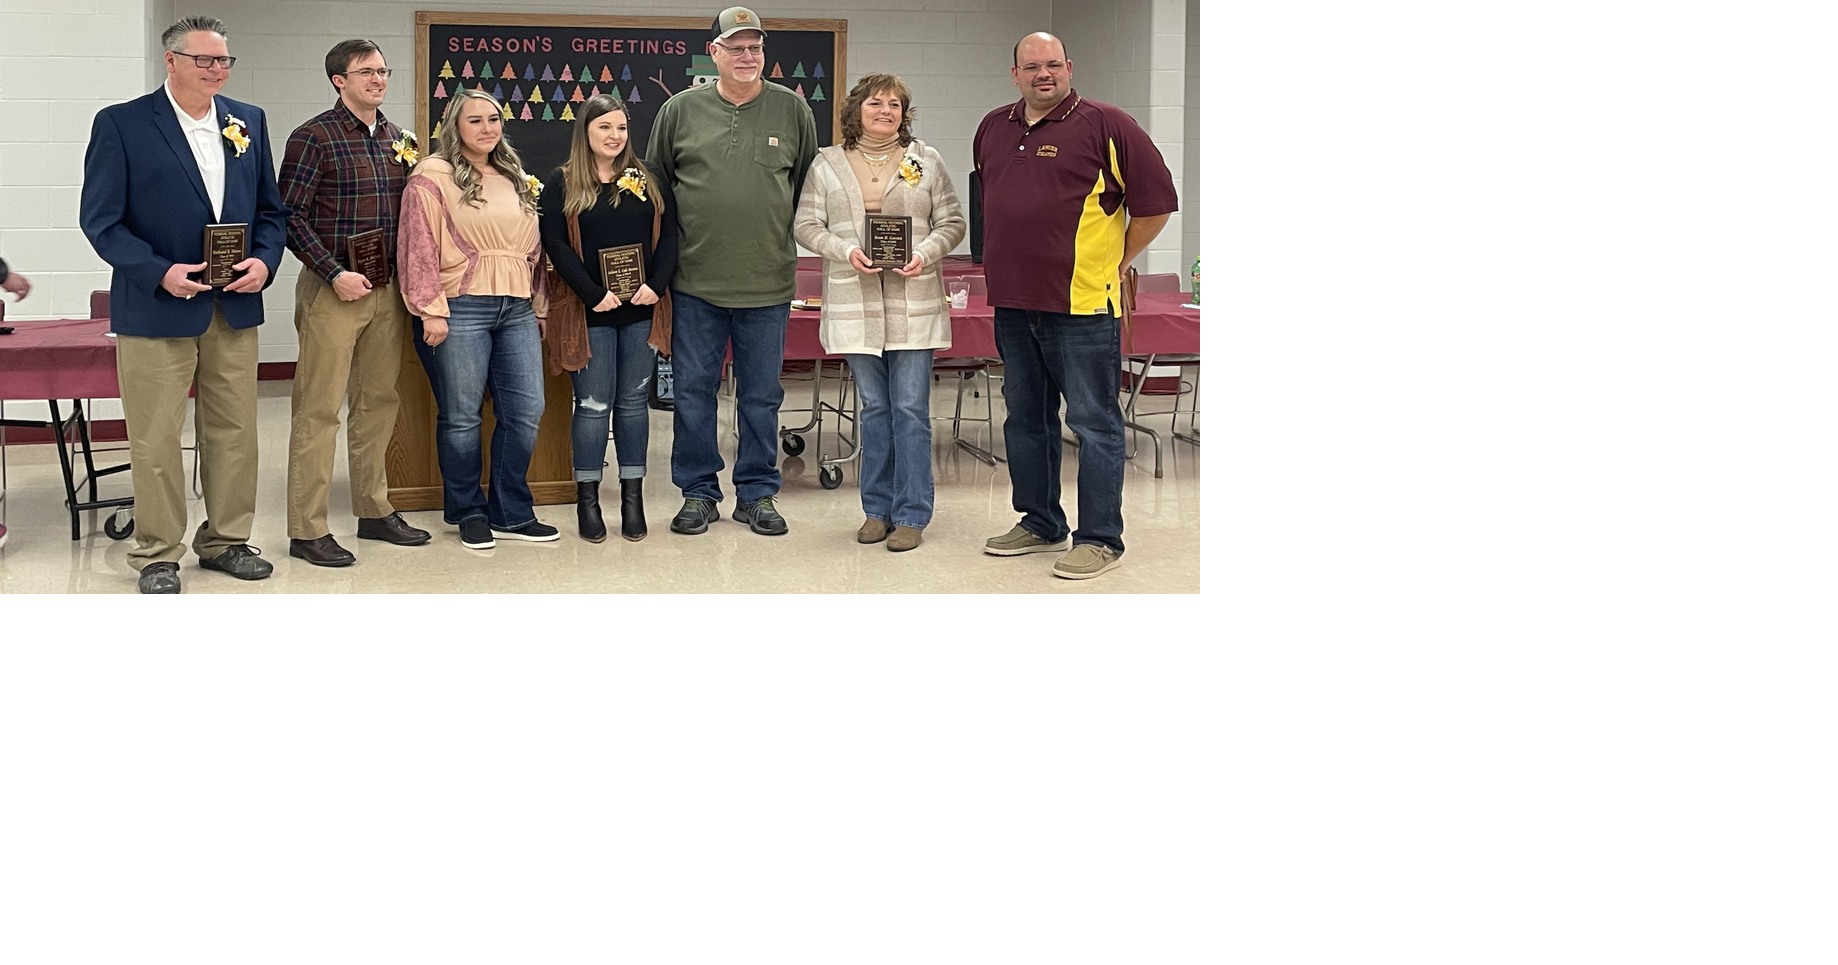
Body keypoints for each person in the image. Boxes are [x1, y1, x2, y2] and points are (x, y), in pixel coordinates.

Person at [78, 16, 287, 595]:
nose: (218, 70)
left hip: (233, 306)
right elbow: (101, 222)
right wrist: (159, 272)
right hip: (156, 308)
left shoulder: (248, 120)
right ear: (171, 61)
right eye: (206, 61)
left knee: (235, 432)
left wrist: (265, 262)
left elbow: (271, 212)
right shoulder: (121, 124)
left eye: (224, 61)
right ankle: (157, 554)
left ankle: (225, 541)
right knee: (155, 436)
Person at [973, 32, 1177, 580]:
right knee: (1026, 421)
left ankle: (1101, 538)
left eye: (1054, 64)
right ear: (1014, 72)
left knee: (1094, 423)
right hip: (1013, 304)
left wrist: (1118, 261)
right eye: (1032, 66)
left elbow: (1157, 205)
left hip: (1082, 305)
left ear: (1070, 67)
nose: (1045, 74)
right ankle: (1040, 522)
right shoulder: (993, 126)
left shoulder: (1108, 124)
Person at [646, 6, 817, 537]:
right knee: (693, 391)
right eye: (736, 47)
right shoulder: (679, 111)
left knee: (761, 395)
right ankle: (698, 492)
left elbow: (809, 192)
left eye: (756, 48)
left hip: (766, 283)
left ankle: (758, 493)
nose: (748, 57)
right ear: (714, 53)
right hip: (695, 283)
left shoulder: (792, 110)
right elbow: (655, 189)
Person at [794, 74, 965, 553]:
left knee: (910, 410)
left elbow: (953, 221)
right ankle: (876, 510)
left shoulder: (925, 160)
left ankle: (911, 515)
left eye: (895, 104)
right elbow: (806, 224)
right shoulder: (827, 164)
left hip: (915, 302)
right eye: (876, 102)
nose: (885, 110)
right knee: (874, 410)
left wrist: (926, 252)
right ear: (856, 111)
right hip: (855, 302)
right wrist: (844, 249)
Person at [277, 39, 430, 568]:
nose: (378, 79)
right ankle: (307, 528)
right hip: (334, 290)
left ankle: (372, 507)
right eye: (366, 71)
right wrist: (333, 272)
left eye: (383, 70)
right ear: (338, 80)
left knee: (378, 402)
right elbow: (289, 219)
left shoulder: (399, 139)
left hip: (386, 291)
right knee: (319, 409)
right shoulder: (312, 138)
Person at [398, 89, 552, 551]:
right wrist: (430, 309)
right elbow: (417, 244)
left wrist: (539, 305)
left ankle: (511, 511)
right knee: (462, 416)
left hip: (517, 307)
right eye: (475, 121)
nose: (487, 128)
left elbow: (535, 251)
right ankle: (467, 510)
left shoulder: (516, 175)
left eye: (494, 119)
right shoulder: (432, 174)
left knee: (526, 410)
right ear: (454, 127)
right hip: (459, 306)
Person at [540, 94, 678, 543]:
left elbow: (670, 238)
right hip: (590, 313)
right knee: (594, 405)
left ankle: (632, 499)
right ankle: (588, 499)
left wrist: (656, 285)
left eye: (620, 128)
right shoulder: (562, 182)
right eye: (604, 128)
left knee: (635, 405)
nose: (615, 136)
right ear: (586, 131)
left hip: (640, 310)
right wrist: (592, 293)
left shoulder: (649, 178)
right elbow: (556, 246)